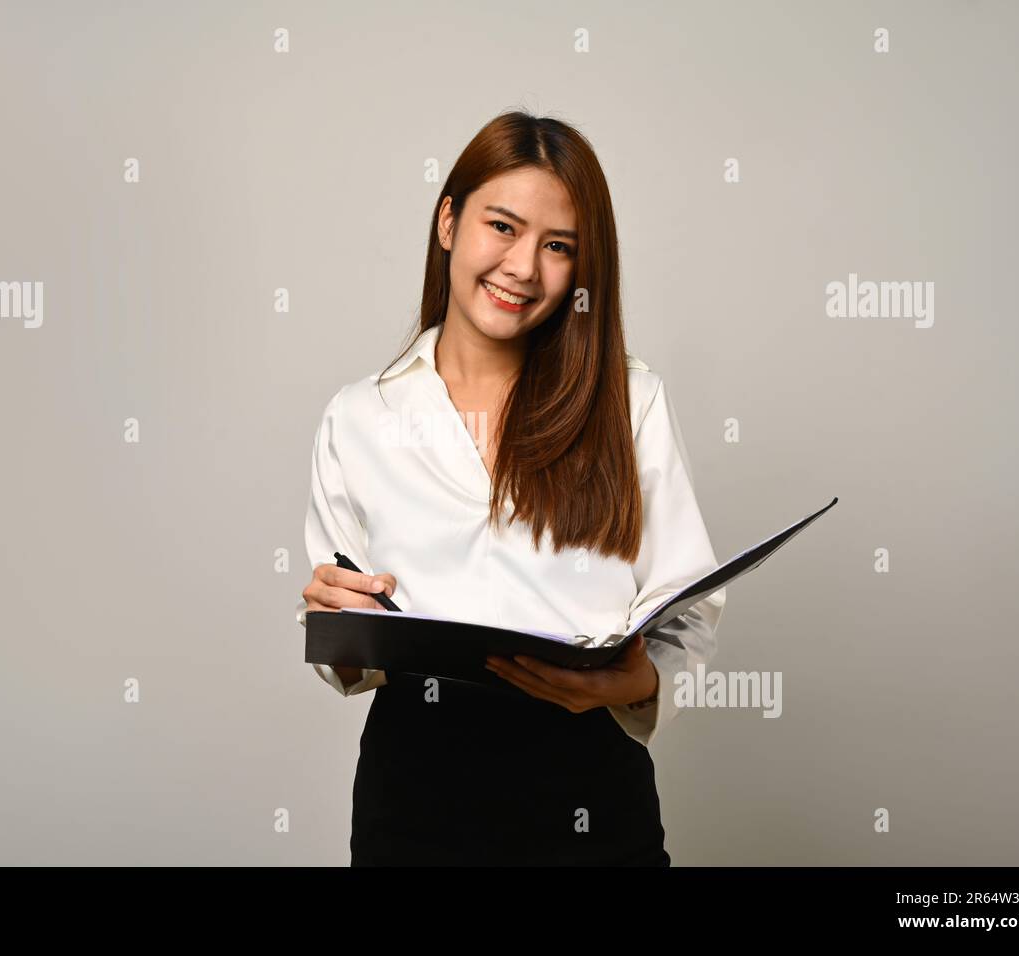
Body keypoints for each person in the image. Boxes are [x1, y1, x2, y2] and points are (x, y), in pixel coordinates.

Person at [294, 110, 726, 866]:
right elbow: (351, 654)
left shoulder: (630, 402)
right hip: (414, 798)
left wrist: (637, 683)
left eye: (557, 246)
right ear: (449, 222)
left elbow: (688, 612)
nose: (524, 268)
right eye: (503, 226)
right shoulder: (360, 416)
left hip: (590, 792)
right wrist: (339, 622)